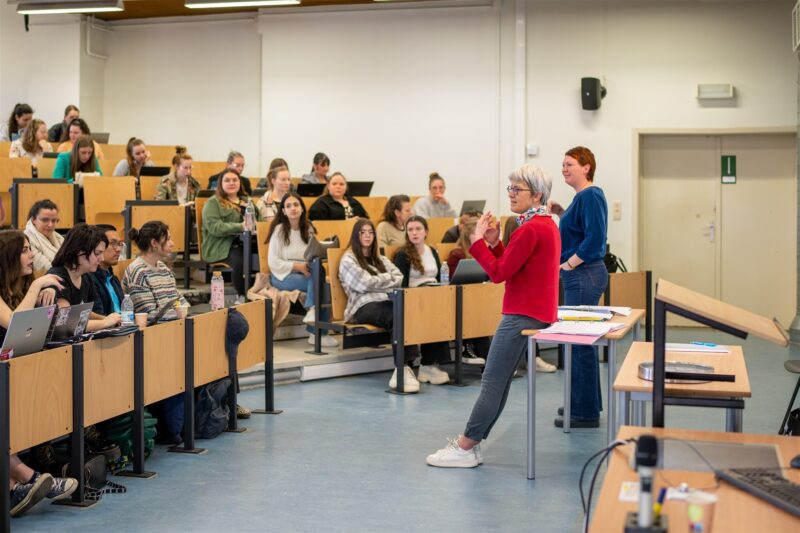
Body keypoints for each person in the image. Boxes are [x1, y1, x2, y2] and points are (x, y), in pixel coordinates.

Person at [426, 164, 559, 468]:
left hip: (521, 314)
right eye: (510, 188)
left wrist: (477, 242)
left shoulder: (530, 228)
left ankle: (465, 446)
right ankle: (472, 444)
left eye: (517, 189)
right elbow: (514, 267)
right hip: (531, 311)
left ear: (536, 195)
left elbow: (498, 274)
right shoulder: (544, 224)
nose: (511, 194)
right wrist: (496, 243)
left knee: (491, 382)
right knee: (499, 382)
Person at [0, 230, 79, 515]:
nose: (32, 254)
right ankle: (27, 480)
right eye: (24, 250)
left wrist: (46, 293)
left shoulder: (21, 289)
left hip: (16, 370)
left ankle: (19, 487)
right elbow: (13, 323)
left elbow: (34, 330)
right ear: (9, 257)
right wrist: (36, 288)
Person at [548, 146, 608, 429]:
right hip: (582, 274)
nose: (564, 168)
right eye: (563, 164)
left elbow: (594, 239)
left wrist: (568, 265)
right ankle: (584, 403)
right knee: (580, 342)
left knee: (580, 343)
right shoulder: (581, 197)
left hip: (583, 274)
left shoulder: (590, 195)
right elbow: (578, 231)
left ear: (586, 167)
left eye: (570, 164)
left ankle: (584, 412)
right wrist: (562, 213)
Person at [122, 221, 190, 443]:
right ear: (154, 243)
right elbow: (148, 315)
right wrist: (178, 314)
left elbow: (179, 300)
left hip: (172, 331)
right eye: (167, 239)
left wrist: (182, 312)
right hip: (153, 338)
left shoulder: (164, 269)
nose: (172, 243)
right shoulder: (137, 271)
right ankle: (174, 429)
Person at [338, 218, 416, 392]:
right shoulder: (348, 259)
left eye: (371, 232)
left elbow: (399, 277)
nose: (367, 235)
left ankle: (410, 367)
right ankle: (402, 368)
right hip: (362, 306)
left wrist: (377, 281)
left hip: (385, 301)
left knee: (408, 311)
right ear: (356, 235)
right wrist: (386, 279)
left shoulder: (379, 258)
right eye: (363, 232)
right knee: (395, 315)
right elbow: (363, 284)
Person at [267, 193, 337, 347]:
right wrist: (298, 266)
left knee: (321, 277)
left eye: (296, 205)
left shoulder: (308, 228)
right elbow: (273, 262)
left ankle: (315, 326)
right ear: (283, 211)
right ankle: (318, 330)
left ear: (302, 208)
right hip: (282, 276)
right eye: (288, 206)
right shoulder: (279, 230)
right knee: (320, 285)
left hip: (305, 273)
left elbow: (312, 253)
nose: (293, 208)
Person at [392, 216, 451, 385]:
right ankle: (426, 364)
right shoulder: (403, 254)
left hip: (434, 295)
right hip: (414, 299)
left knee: (444, 312)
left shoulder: (431, 250)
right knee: (433, 313)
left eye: (418, 229)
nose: (414, 233)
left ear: (426, 232)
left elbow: (439, 277)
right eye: (410, 230)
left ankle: (429, 364)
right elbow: (401, 284)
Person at [47, 223, 122, 332]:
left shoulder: (86, 277)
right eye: (97, 253)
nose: (101, 258)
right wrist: (105, 322)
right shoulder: (57, 278)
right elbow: (66, 324)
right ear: (79, 251)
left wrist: (107, 319)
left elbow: (85, 313)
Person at [201, 169, 259, 299]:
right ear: (220, 184)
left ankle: (259, 295)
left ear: (240, 183)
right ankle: (244, 297)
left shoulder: (247, 201)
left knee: (263, 257)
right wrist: (240, 226)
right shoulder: (213, 203)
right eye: (227, 180)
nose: (231, 183)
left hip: (247, 242)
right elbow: (214, 227)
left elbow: (258, 220)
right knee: (242, 260)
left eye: (235, 180)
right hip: (222, 246)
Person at [88, 224, 124, 316]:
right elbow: (99, 315)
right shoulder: (89, 279)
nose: (118, 249)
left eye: (120, 244)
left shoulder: (113, 278)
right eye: (113, 244)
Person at [24, 199, 64, 272]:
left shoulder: (58, 237)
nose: (50, 225)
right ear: (33, 220)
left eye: (54, 220)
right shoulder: (27, 239)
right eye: (45, 220)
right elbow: (45, 268)